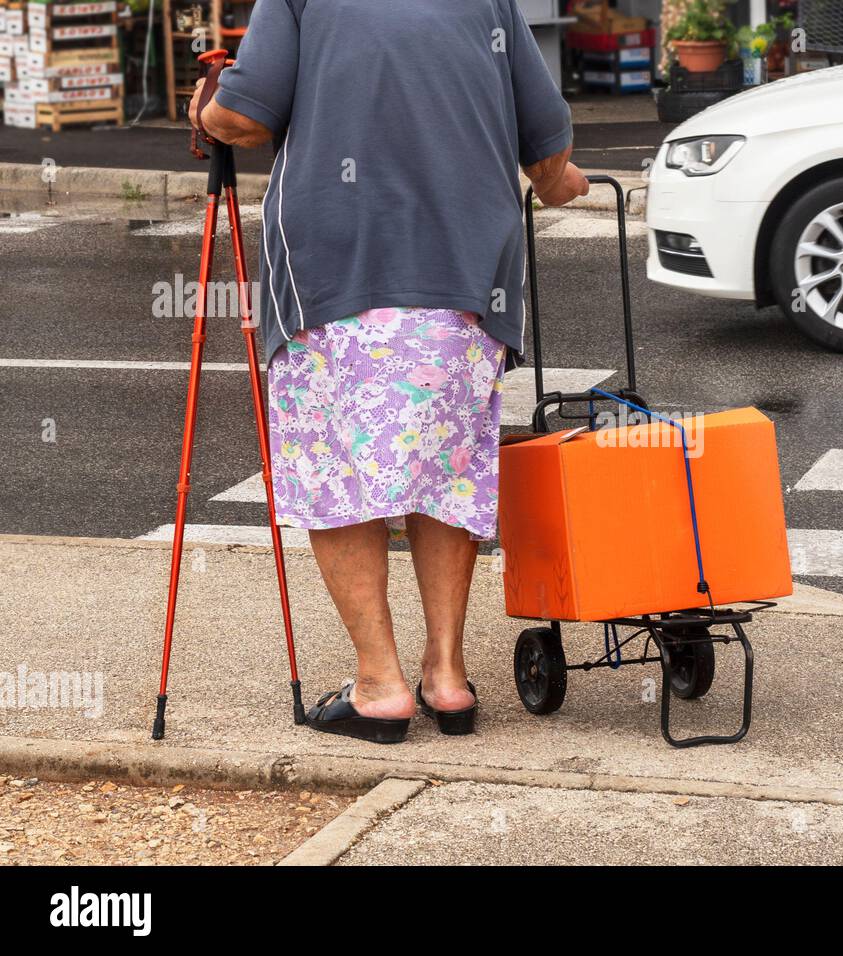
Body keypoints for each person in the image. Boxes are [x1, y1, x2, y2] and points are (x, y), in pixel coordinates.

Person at [188, 0, 589, 743]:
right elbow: (546, 147)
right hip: (467, 271)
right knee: (446, 468)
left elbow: (247, 118)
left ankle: (380, 685)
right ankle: (447, 677)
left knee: (338, 469)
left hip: (338, 266)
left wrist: (209, 108)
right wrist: (564, 184)